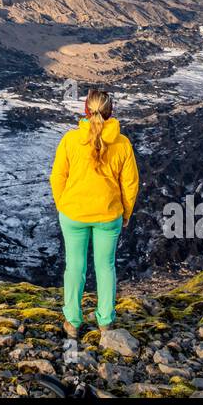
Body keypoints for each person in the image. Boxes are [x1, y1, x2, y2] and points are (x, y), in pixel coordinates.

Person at [50, 88, 140, 339]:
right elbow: (130, 184)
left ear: (85, 112)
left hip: (74, 214)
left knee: (75, 267)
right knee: (105, 266)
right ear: (111, 112)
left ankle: (73, 322)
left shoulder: (70, 140)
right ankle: (106, 323)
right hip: (108, 215)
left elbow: (58, 177)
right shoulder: (122, 144)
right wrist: (126, 213)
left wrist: (63, 204)